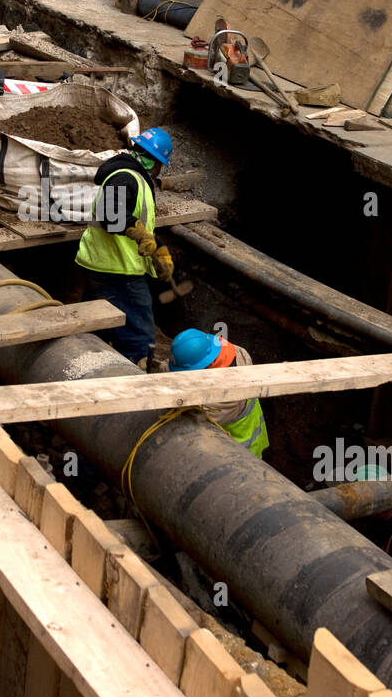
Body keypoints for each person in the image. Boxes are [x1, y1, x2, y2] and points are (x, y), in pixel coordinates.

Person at [75, 128, 174, 369]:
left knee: (98, 328)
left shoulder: (131, 178)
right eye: (160, 165)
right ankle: (136, 379)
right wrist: (141, 236)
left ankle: (94, 369)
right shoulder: (126, 176)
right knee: (139, 339)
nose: (158, 171)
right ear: (154, 162)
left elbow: (138, 221)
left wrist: (157, 248)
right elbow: (111, 216)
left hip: (105, 265)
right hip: (118, 272)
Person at [168, 329, 269, 458]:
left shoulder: (227, 398)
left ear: (204, 368)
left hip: (242, 448)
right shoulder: (232, 352)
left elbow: (192, 416)